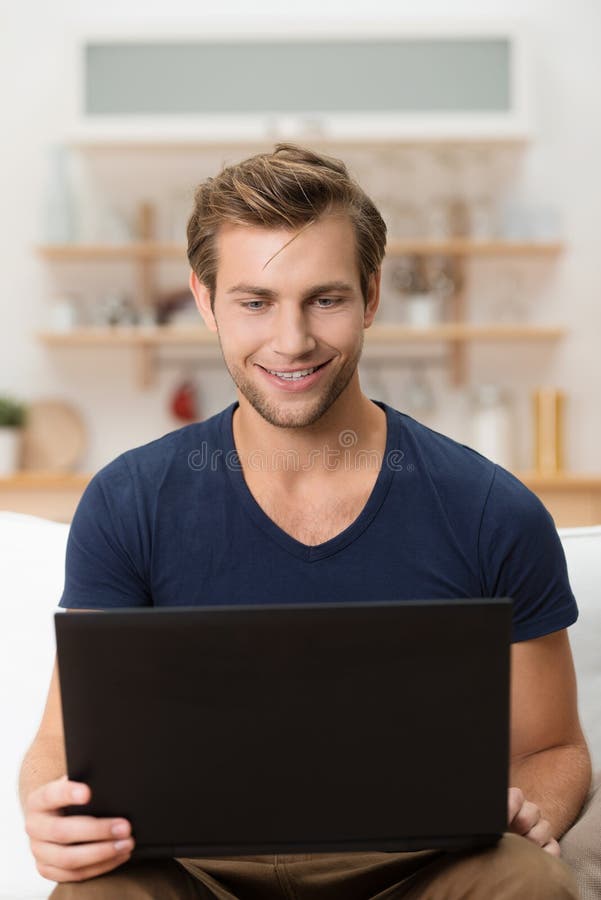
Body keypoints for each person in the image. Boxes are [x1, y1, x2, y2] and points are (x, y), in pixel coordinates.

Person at [19, 144, 594, 899]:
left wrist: (532, 810)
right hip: (192, 865)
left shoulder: (490, 508)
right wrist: (50, 814)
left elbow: (553, 747)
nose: (291, 341)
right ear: (204, 298)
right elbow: (60, 741)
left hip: (419, 866)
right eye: (254, 302)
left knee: (529, 883)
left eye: (324, 299)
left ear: (372, 293)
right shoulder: (129, 500)